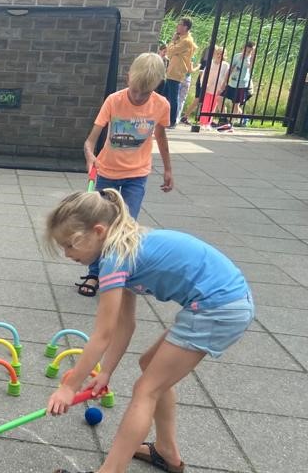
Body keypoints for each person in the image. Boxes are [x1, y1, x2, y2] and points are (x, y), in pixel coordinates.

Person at [45, 188, 253, 473]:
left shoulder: (114, 259)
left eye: (70, 245)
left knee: (146, 389)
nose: (67, 254)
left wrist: (69, 387)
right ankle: (167, 452)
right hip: (224, 302)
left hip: (217, 308)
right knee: (149, 367)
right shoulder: (122, 247)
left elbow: (102, 334)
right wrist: (105, 372)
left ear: (97, 231)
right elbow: (124, 324)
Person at [75, 53, 173, 297]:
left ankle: (118, 272)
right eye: (135, 90)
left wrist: (168, 169)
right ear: (128, 77)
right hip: (107, 172)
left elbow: (160, 136)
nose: (138, 97)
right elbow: (90, 141)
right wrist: (90, 156)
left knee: (125, 226)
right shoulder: (114, 100)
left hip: (137, 175)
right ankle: (95, 273)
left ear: (157, 85)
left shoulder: (161, 104)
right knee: (99, 224)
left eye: (145, 93)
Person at [164, 18, 197, 128]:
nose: (177, 26)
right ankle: (162, 118)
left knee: (173, 97)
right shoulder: (181, 39)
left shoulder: (186, 41)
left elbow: (170, 51)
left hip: (177, 72)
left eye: (180, 25)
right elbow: (169, 53)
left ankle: (172, 121)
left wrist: (173, 41)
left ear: (185, 27)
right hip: (172, 70)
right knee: (164, 96)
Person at [218, 41, 256, 131]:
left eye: (250, 51)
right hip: (232, 82)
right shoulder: (237, 56)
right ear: (243, 48)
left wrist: (252, 57)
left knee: (236, 105)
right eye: (246, 51)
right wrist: (224, 82)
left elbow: (250, 69)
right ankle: (225, 118)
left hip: (242, 85)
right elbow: (230, 69)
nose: (247, 53)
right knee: (219, 98)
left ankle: (230, 123)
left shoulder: (250, 59)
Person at [186, 45, 229, 126]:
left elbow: (226, 77)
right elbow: (204, 75)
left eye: (221, 54)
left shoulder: (225, 65)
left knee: (213, 106)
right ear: (215, 54)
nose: (219, 55)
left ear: (224, 55)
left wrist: (222, 87)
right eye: (218, 53)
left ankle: (208, 122)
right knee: (206, 105)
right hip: (208, 87)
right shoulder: (211, 63)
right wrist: (203, 85)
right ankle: (203, 122)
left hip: (218, 88)